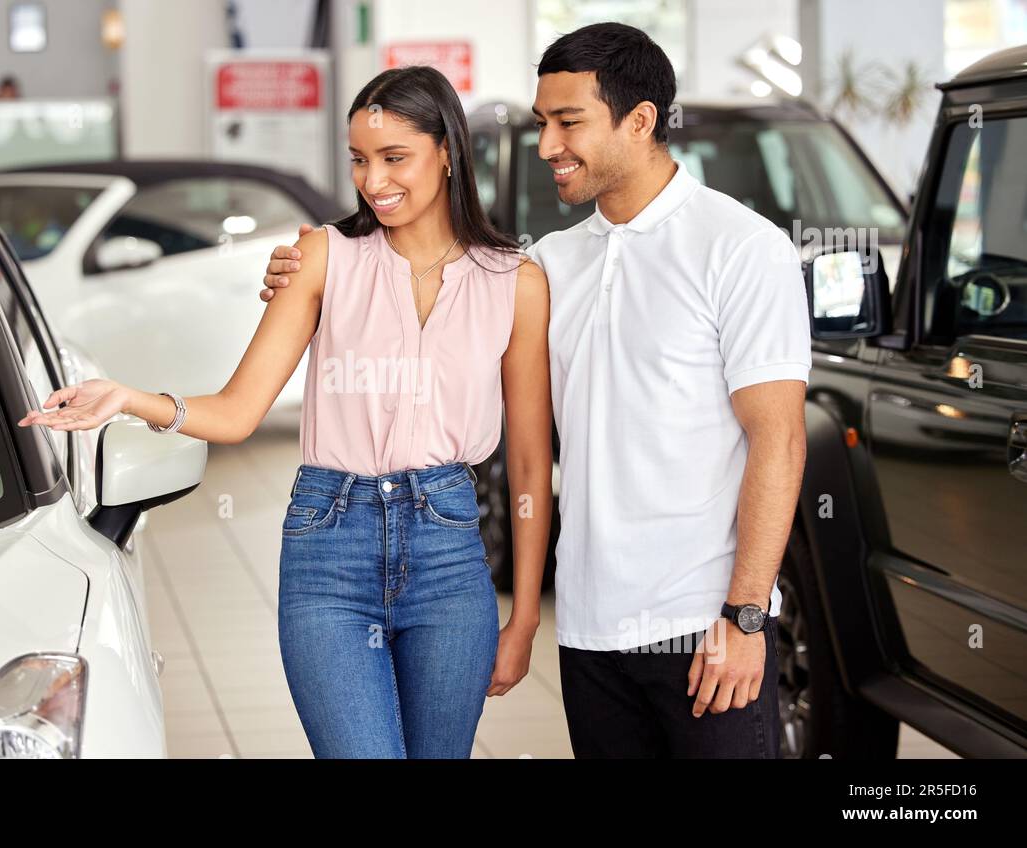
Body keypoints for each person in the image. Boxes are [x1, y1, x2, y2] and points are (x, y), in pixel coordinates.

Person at [259, 23, 811, 758]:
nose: (547, 144)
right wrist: (302, 277)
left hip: (702, 627)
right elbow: (505, 421)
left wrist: (745, 617)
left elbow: (780, 438)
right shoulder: (551, 265)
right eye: (542, 122)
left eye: (569, 122)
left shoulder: (741, 249)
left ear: (641, 121)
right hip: (588, 633)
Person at [19, 65, 553, 758]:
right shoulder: (322, 258)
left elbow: (530, 462)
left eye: (395, 158)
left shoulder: (516, 283)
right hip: (331, 547)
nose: (374, 181)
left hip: (449, 554)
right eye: (359, 160)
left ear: (448, 150)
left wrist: (526, 618)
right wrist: (128, 399)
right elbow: (240, 412)